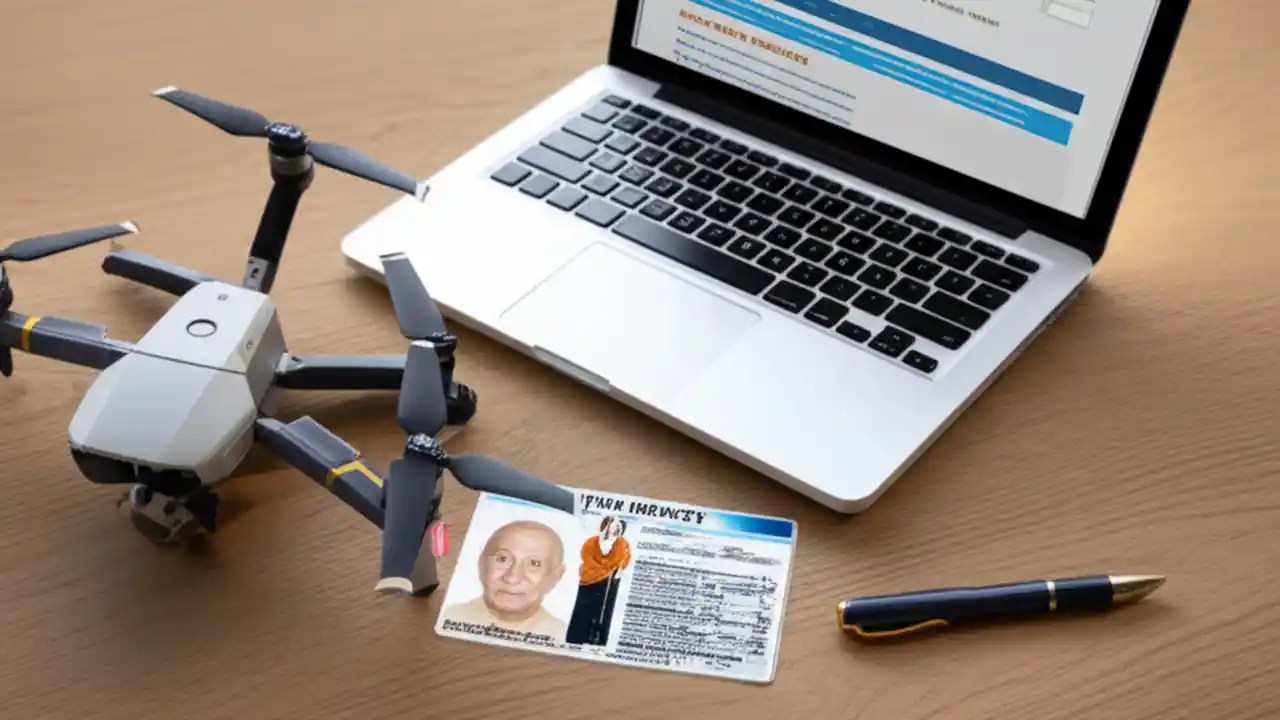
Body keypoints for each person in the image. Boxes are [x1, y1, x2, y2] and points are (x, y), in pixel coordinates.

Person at [442, 520, 568, 639]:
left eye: (534, 563)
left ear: (555, 576)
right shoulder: (449, 616)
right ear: (482, 563)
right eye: (503, 559)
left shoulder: (562, 636)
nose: (512, 578)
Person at [565, 516, 631, 645]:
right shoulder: (591, 542)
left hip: (610, 582)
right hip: (589, 582)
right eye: (613, 526)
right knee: (584, 611)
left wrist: (618, 569)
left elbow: (624, 559)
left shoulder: (623, 544)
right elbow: (587, 559)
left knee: (604, 612)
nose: (615, 529)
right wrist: (603, 570)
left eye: (618, 527)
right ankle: (578, 638)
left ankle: (598, 640)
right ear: (605, 527)